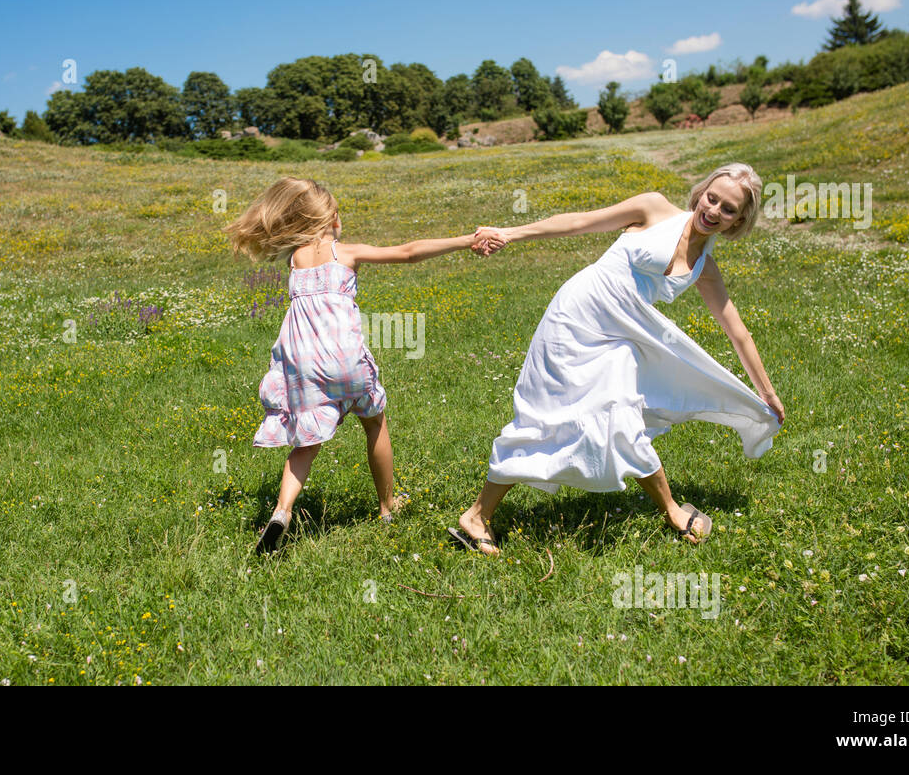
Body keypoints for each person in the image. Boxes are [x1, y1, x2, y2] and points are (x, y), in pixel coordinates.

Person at [453, 163, 786, 554]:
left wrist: (766, 391)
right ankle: (476, 516)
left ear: (739, 220)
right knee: (545, 417)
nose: (713, 211)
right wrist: (509, 233)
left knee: (621, 414)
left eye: (728, 209)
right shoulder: (654, 208)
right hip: (576, 319)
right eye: (712, 198)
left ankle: (672, 511)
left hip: (622, 336)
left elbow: (738, 331)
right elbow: (580, 222)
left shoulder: (704, 267)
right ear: (701, 192)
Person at [225, 177, 480, 554]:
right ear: (328, 217)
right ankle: (387, 508)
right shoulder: (344, 252)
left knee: (306, 443)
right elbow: (409, 252)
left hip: (303, 365)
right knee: (375, 423)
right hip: (344, 361)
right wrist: (466, 240)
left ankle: (282, 511)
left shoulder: (294, 259)